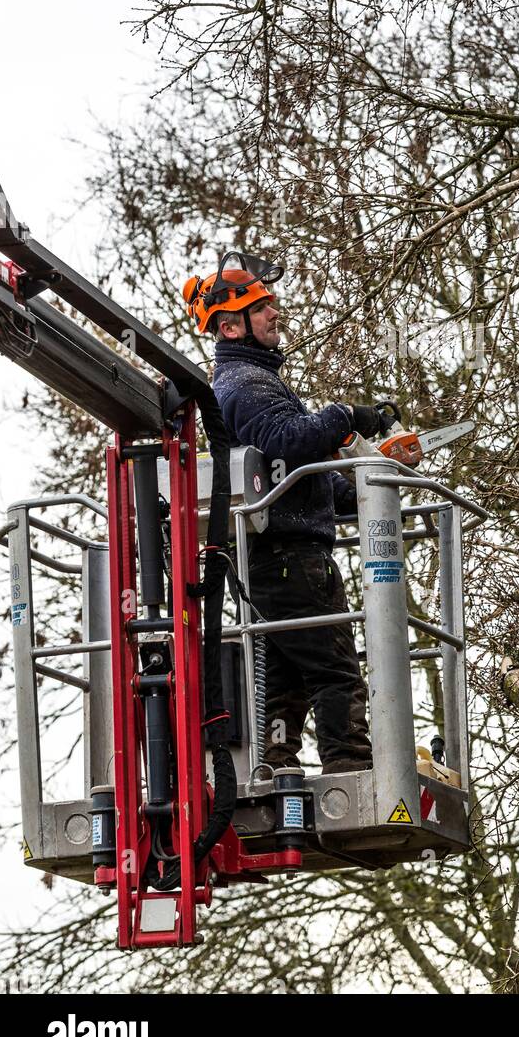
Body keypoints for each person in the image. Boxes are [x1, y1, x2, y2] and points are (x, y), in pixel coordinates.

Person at [183, 252, 394, 775]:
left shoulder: (249, 381)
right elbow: (286, 441)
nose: (277, 312)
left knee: (286, 673)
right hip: (289, 557)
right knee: (335, 670)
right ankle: (350, 768)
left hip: (270, 556)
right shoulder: (247, 385)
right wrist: (343, 416)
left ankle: (276, 767)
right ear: (231, 325)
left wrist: (371, 483)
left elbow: (295, 476)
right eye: (264, 306)